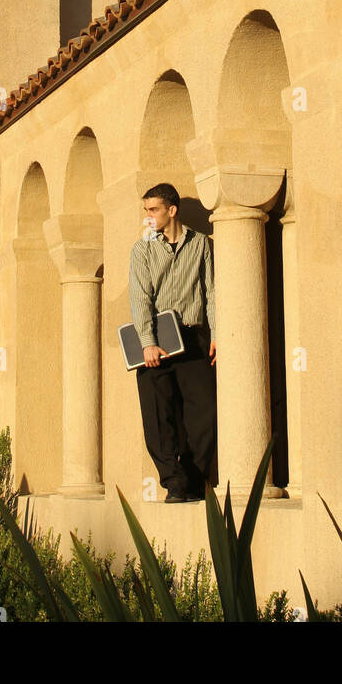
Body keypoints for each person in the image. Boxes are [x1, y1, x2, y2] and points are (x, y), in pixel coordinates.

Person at [128, 183, 217, 502]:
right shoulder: (142, 250)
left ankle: (194, 478)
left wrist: (217, 332)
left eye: (153, 210)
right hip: (157, 339)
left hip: (193, 337)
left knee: (204, 412)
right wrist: (148, 342)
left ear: (172, 210)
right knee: (158, 416)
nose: (148, 216)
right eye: (146, 210)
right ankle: (174, 483)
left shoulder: (201, 244)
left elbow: (211, 291)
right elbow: (140, 298)